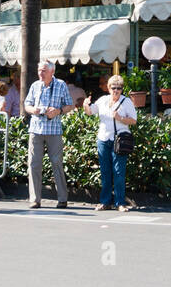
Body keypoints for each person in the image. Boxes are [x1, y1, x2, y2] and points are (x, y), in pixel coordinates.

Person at [24, 60, 75, 209]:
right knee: (33, 164)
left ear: (52, 72)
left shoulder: (61, 85)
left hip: (54, 131)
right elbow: (27, 104)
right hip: (36, 129)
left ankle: (62, 199)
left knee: (57, 163)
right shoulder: (35, 85)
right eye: (40, 70)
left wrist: (58, 111)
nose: (41, 73)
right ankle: (34, 199)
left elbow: (70, 105)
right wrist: (33, 110)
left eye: (44, 70)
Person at [83, 74, 137, 211]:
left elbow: (134, 120)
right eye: (113, 87)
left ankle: (120, 203)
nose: (116, 90)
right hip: (103, 139)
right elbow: (90, 112)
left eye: (119, 88)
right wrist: (85, 105)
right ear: (108, 88)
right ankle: (105, 201)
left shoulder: (127, 102)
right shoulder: (102, 100)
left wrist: (120, 118)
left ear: (122, 89)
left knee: (119, 172)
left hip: (119, 140)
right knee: (105, 172)